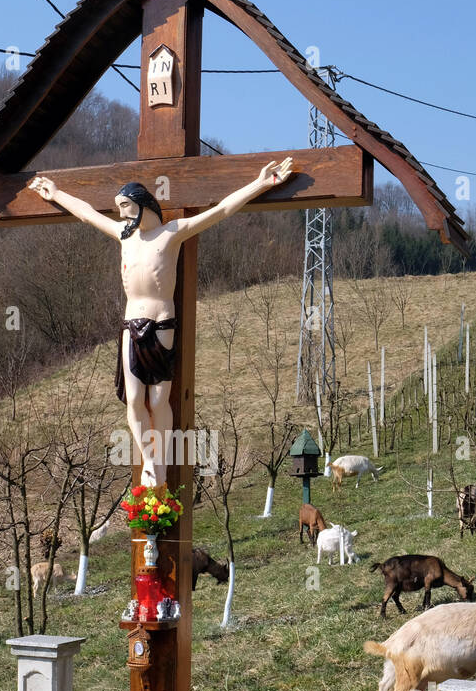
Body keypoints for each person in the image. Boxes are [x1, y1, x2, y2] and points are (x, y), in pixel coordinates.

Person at [29, 157, 293, 486]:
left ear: (142, 204)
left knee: (157, 400)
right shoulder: (124, 236)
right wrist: (56, 194)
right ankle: (152, 463)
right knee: (135, 399)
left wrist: (260, 183)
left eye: (125, 206)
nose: (121, 214)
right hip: (131, 324)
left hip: (162, 324)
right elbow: (87, 214)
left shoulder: (171, 234)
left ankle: (161, 462)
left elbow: (221, 211)